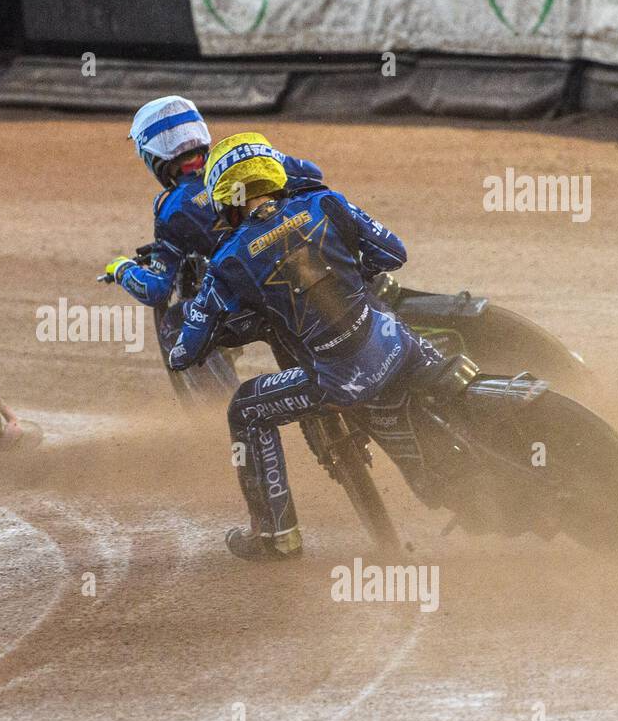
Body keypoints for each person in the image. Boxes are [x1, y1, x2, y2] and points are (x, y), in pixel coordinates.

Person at [167, 133, 442, 561]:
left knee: (245, 409)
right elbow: (393, 254)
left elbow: (185, 352)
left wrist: (194, 337)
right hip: (398, 343)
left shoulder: (228, 261)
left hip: (340, 380)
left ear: (226, 199)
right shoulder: (326, 202)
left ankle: (276, 536)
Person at [102, 97, 325, 356]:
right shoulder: (247, 157)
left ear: (154, 156)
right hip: (318, 262)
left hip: (264, 301)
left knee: (175, 324)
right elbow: (312, 174)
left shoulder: (173, 209)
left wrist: (121, 269)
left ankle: (213, 397)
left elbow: (156, 291)